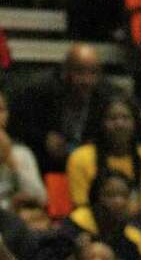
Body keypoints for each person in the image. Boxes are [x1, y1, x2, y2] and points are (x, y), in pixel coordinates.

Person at [66, 91, 141, 237]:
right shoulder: (80, 157)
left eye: (125, 118)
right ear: (100, 122)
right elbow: (81, 206)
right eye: (112, 118)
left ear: (135, 123)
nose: (119, 124)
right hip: (94, 228)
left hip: (140, 227)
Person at [9, 42, 114, 174]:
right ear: (66, 71)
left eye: (93, 72)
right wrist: (44, 138)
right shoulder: (38, 91)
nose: (87, 80)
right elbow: (15, 125)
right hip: (44, 163)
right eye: (80, 72)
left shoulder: (107, 96)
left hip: (88, 167)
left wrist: (97, 143)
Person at [0, 84, 45, 206]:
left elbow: (40, 197)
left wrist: (13, 163)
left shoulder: (20, 153)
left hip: (12, 218)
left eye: (1, 110)